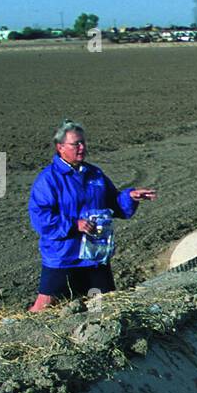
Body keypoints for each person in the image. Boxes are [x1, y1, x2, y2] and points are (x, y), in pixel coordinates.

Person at [27, 119, 156, 311]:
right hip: (64, 256)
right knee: (45, 305)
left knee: (102, 305)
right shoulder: (48, 180)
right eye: (75, 144)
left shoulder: (94, 174)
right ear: (60, 147)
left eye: (83, 142)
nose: (81, 147)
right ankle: (15, 333)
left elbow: (113, 203)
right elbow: (40, 217)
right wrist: (73, 224)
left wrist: (130, 196)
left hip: (94, 255)